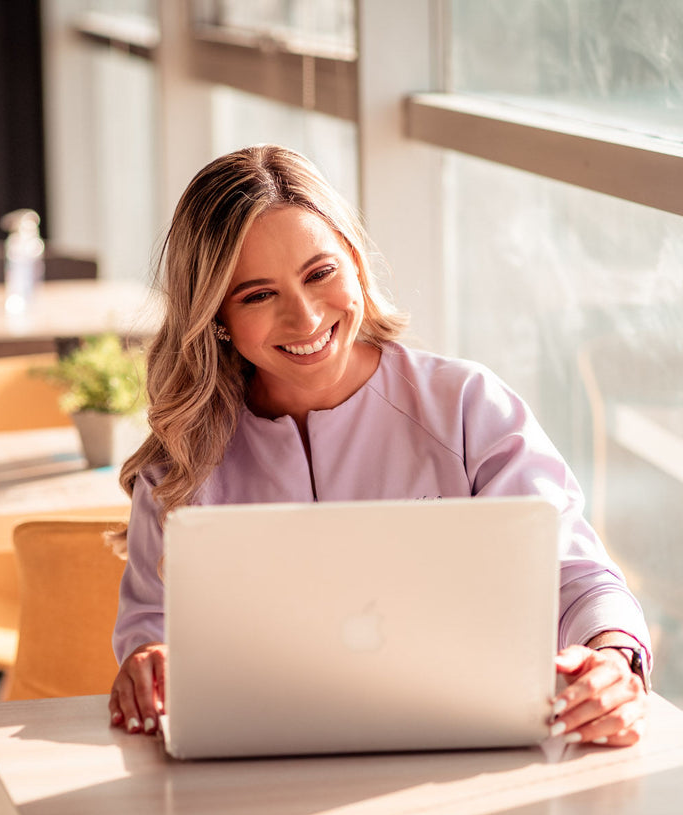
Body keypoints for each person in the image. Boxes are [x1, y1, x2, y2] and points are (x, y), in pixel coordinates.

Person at [107, 144, 651, 747]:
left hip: (462, 754)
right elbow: (152, 626)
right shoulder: (181, 461)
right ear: (215, 317)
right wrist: (149, 663)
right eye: (258, 295)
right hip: (258, 773)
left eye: (321, 273)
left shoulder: (467, 405)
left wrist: (612, 658)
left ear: (356, 266)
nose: (306, 317)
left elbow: (576, 575)